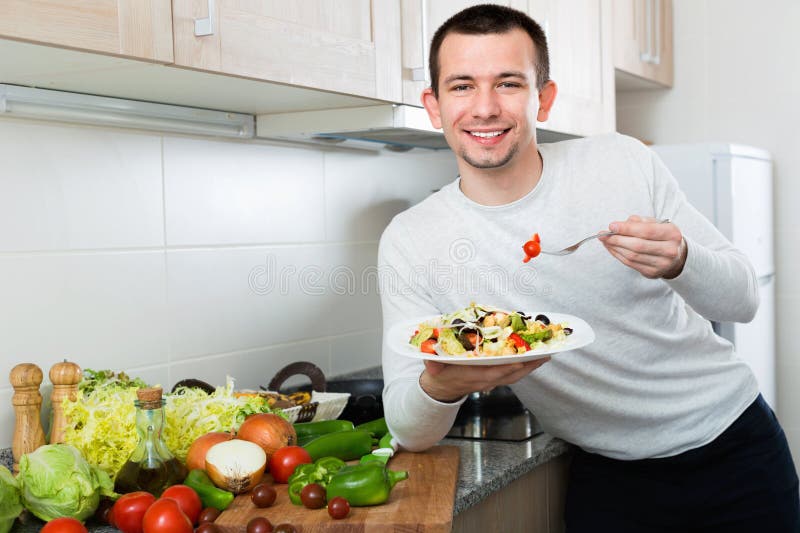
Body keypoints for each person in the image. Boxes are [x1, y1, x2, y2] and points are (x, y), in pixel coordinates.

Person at [377, 4, 799, 532]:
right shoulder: (412, 240)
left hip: (734, 449)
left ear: (544, 99)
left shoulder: (621, 162)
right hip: (609, 476)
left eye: (508, 83)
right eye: (461, 86)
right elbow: (408, 428)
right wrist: (444, 385)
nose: (484, 107)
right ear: (434, 105)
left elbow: (743, 300)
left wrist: (682, 260)